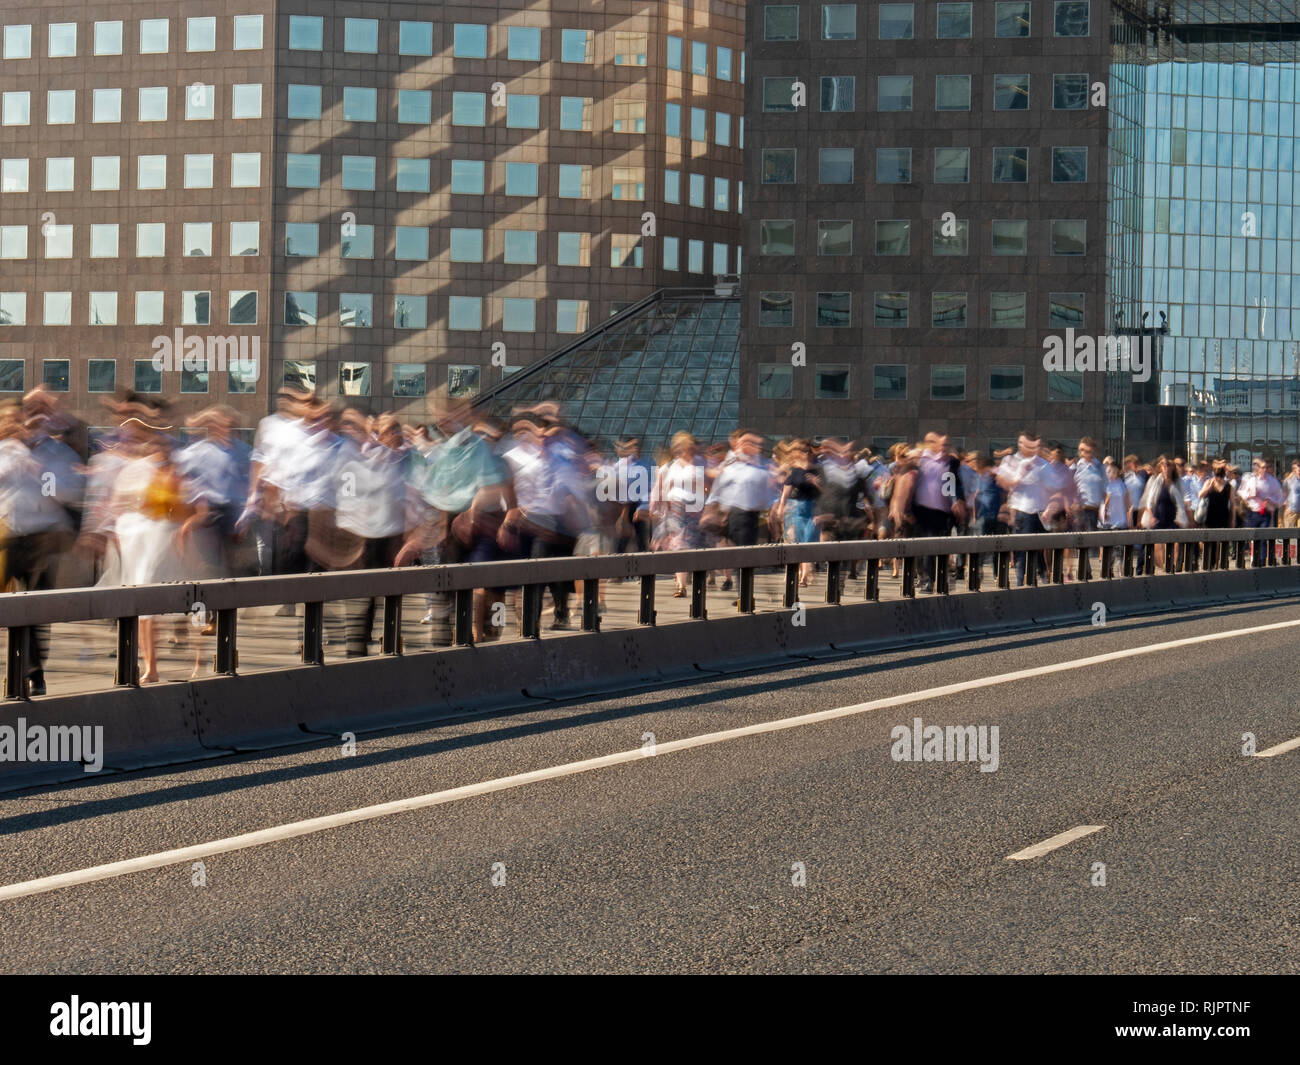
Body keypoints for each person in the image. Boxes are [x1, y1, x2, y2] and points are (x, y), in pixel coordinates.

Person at [651, 431, 707, 598]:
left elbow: (708, 486)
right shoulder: (669, 468)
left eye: (687, 448)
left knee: (693, 547)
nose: (683, 452)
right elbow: (659, 489)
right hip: (675, 509)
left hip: (695, 511)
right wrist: (655, 508)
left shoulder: (699, 465)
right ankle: (682, 585)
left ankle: (687, 579)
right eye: (680, 448)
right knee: (679, 546)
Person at [997, 432, 1049, 586]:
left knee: (1031, 550)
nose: (1022, 446)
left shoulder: (1041, 464)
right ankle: (1027, 580)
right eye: (1020, 442)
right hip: (1017, 512)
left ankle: (1029, 580)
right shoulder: (1010, 460)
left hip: (1035, 513)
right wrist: (1015, 480)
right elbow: (1001, 480)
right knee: (1020, 551)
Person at [775, 439, 820, 585]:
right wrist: (781, 506)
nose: (806, 454)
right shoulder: (794, 470)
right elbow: (786, 490)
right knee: (796, 542)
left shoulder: (818, 469)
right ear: (798, 453)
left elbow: (828, 492)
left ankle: (804, 576)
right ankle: (800, 572)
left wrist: (817, 484)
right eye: (803, 451)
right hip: (797, 509)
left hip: (814, 509)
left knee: (808, 542)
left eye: (809, 451)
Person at [1237, 457, 1283, 565]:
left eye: (1266, 467)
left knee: (1262, 537)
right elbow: (1241, 492)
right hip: (1252, 512)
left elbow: (1279, 497)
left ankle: (1262, 560)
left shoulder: (1272, 481)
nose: (1264, 470)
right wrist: (1249, 495)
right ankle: (1253, 559)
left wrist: (1271, 500)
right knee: (1252, 536)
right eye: (1262, 467)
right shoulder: (1251, 479)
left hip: (1265, 513)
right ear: (1258, 468)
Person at [1198, 460, 1235, 569]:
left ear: (1224, 474)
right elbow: (1200, 495)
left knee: (1223, 542)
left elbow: (1232, 504)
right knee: (1210, 543)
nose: (1218, 477)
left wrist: (1233, 520)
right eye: (1217, 474)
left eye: (1221, 474)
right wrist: (1208, 489)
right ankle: (1209, 565)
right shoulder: (1209, 482)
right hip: (1210, 517)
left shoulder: (1229, 486)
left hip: (1223, 517)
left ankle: (1222, 565)